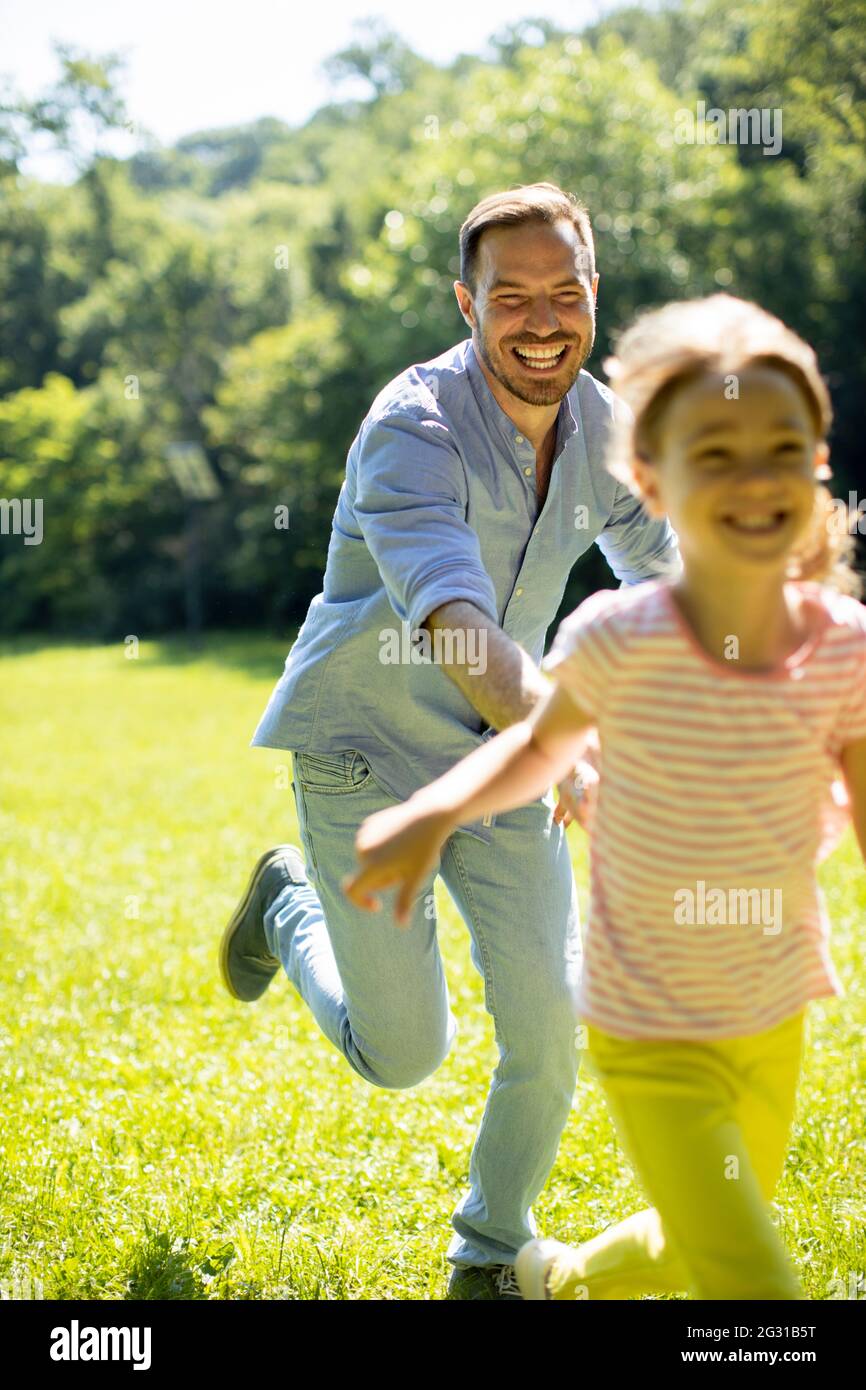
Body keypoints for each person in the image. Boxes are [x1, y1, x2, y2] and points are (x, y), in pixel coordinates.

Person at [344, 293, 866, 1300]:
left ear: (813, 467)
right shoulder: (618, 636)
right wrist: (429, 813)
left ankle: (559, 1280)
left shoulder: (842, 644)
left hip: (770, 1005)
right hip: (647, 1018)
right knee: (751, 1280)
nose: (749, 477)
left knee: (701, 1234)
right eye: (712, 451)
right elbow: (537, 754)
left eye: (779, 450)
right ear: (648, 480)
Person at [219, 182, 681, 1300]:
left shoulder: (601, 425)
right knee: (403, 1055)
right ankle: (286, 905)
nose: (538, 320)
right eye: (508, 295)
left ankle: (485, 1246)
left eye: (561, 293)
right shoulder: (411, 427)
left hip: (506, 753)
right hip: (367, 749)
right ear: (463, 300)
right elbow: (457, 628)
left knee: (550, 1021)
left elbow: (665, 572)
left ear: (592, 296)